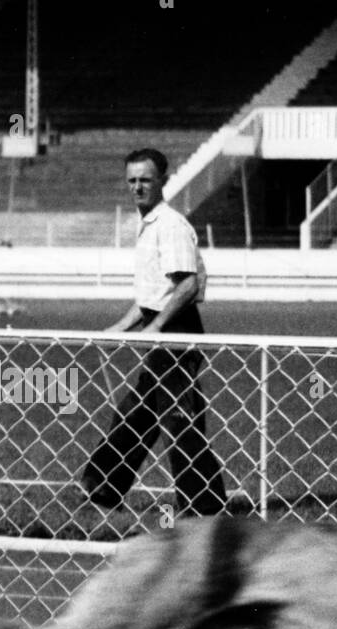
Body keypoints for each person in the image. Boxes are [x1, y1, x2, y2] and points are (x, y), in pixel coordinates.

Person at [84, 147, 229, 517]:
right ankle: (103, 489)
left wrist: (158, 326)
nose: (137, 187)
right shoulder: (147, 226)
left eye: (145, 180)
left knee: (180, 423)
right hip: (162, 332)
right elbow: (152, 296)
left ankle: (205, 507)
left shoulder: (171, 226)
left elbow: (187, 286)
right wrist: (119, 327)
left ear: (163, 180)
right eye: (131, 181)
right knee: (136, 414)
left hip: (178, 336)